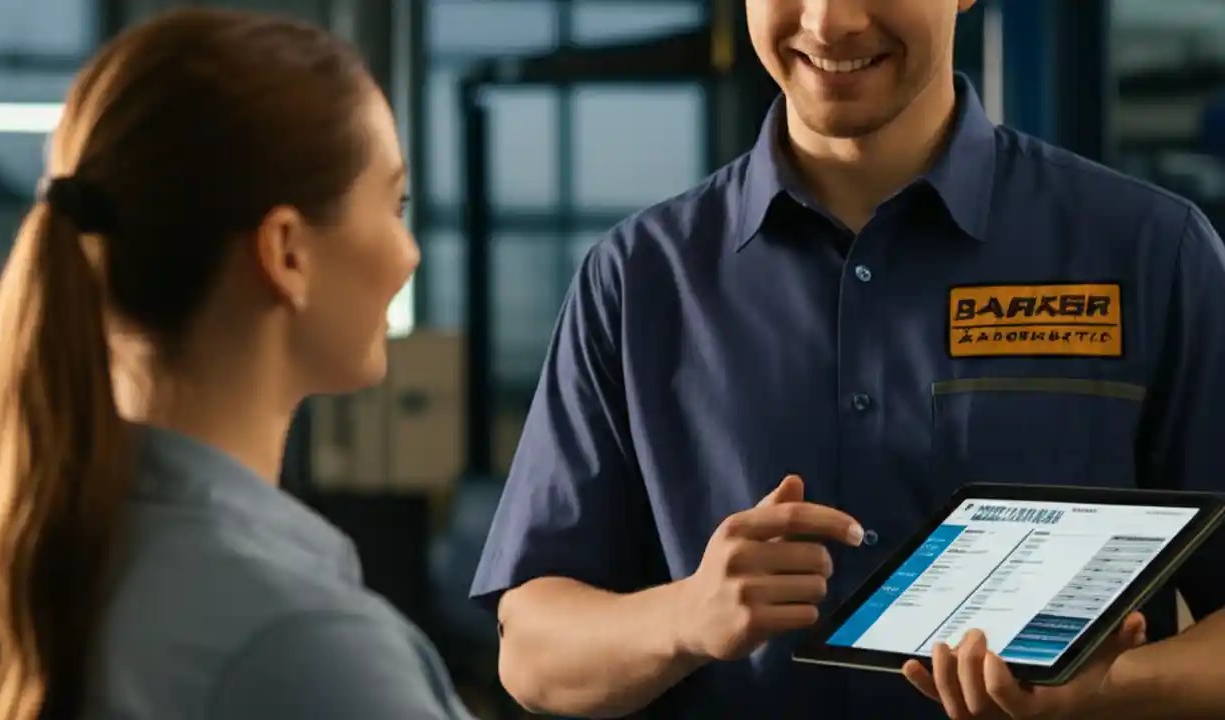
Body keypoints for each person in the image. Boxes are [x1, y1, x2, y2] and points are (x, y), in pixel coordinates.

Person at [470, 0, 1225, 718]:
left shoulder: (1149, 256)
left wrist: (1109, 691)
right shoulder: (640, 280)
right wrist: (686, 616)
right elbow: (533, 653)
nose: (830, 22)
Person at [0, 8, 472, 720]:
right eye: (394, 204)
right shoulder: (301, 644)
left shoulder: (59, 547)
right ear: (287, 252)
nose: (408, 254)